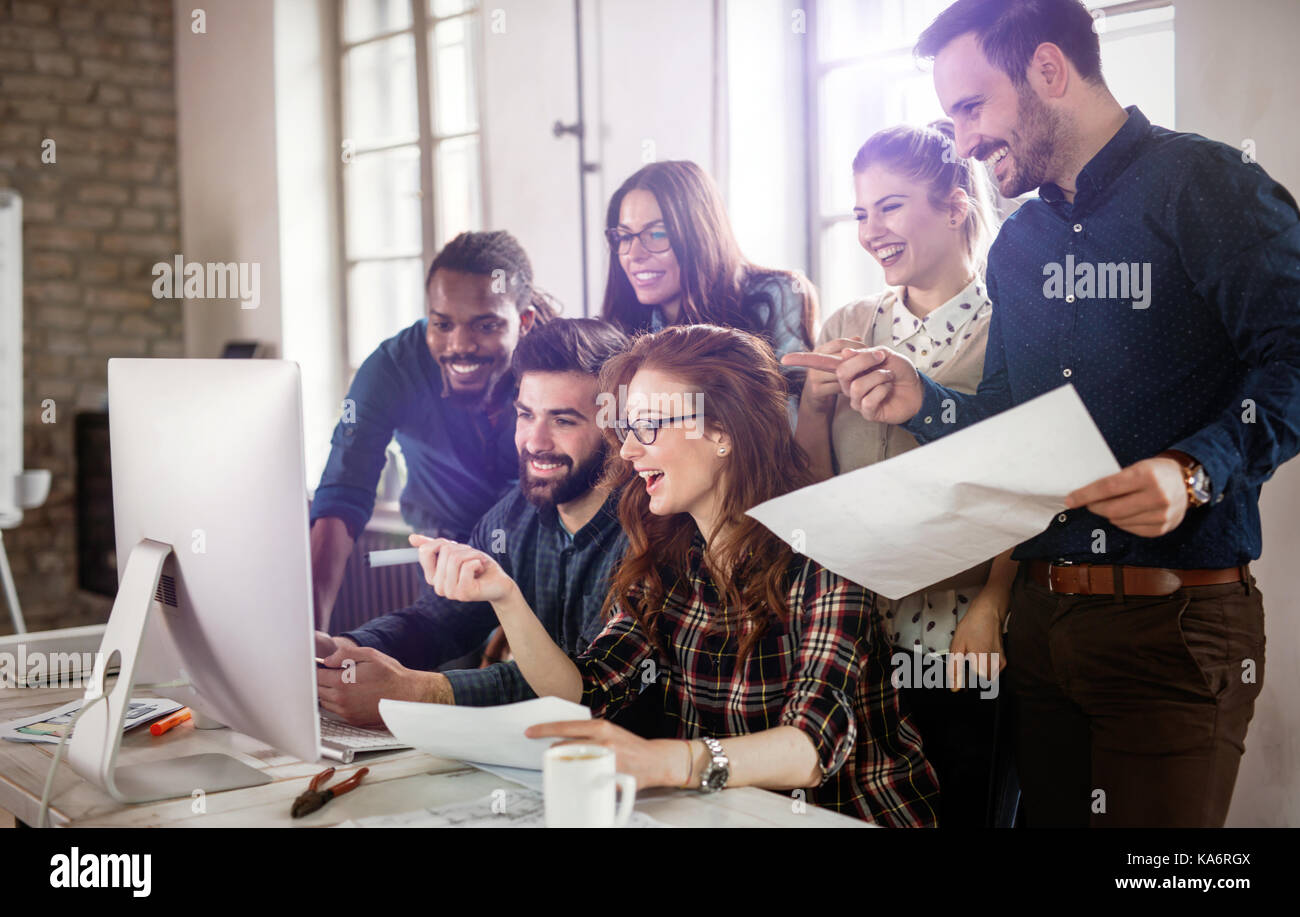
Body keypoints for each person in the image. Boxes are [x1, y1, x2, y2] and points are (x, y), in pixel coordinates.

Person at [787, 0, 1299, 827]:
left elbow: (1295, 355)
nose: (961, 141)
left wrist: (1198, 469)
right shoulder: (1021, 241)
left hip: (1173, 627)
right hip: (1041, 623)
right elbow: (1013, 425)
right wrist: (925, 401)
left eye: (971, 107)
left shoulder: (1206, 185)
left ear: (1050, 72)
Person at [413, 325, 941, 827]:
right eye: (627, 429)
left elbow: (811, 748)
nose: (627, 450)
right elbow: (586, 689)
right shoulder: (666, 552)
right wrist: (505, 596)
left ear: (721, 432)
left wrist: (667, 763)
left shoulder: (826, 549)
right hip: (724, 814)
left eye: (648, 427)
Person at [793, 120, 1017, 826]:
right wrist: (813, 403)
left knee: (963, 806)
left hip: (958, 633)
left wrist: (995, 601)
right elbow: (811, 489)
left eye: (890, 206)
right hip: (853, 638)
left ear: (955, 206)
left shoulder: (1008, 325)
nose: (870, 230)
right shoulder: (850, 321)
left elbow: (1025, 473)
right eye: (861, 212)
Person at [314, 319, 631, 724]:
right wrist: (342, 649)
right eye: (526, 414)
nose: (535, 441)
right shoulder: (513, 516)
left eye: (563, 420)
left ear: (616, 426)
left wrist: (416, 691)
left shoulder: (650, 531)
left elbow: (579, 687)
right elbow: (440, 622)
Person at [309, 230, 554, 631]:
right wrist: (312, 631)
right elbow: (343, 488)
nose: (460, 345)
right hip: (447, 567)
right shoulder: (391, 369)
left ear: (523, 322)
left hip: (544, 562)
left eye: (486, 325)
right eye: (442, 324)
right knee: (440, 681)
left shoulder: (556, 366)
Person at [600, 160, 817, 416]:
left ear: (699, 235)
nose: (633, 254)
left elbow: (793, 422)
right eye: (625, 236)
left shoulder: (777, 294)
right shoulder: (621, 326)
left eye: (657, 234)